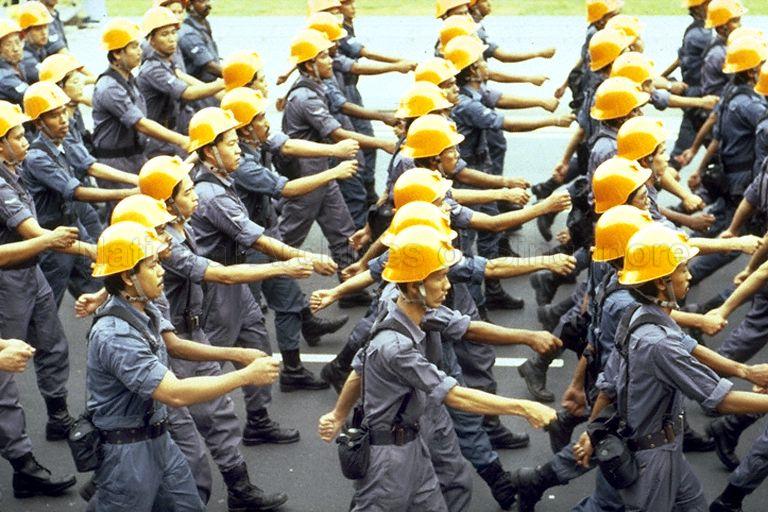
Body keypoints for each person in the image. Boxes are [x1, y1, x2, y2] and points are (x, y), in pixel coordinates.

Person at [317, 224, 558, 512]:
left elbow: (466, 327)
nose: (447, 285)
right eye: (440, 277)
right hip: (389, 461)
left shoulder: (417, 310)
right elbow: (454, 396)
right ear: (414, 284)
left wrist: (527, 336)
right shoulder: (395, 346)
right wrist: (523, 408)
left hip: (415, 445)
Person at [86, 220, 282, 511]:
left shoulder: (143, 308)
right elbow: (174, 393)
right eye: (153, 265)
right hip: (127, 455)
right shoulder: (116, 334)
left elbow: (174, 345)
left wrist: (238, 354)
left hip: (159, 441)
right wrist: (244, 376)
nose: (162, 270)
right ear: (129, 276)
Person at [572, 223, 768, 512]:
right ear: (662, 282)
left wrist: (745, 371)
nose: (689, 275)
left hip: (664, 447)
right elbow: (721, 400)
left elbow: (610, 385)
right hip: (654, 460)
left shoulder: (638, 315)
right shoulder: (658, 344)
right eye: (682, 269)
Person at [187, 107, 338, 437]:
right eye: (230, 142)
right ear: (210, 151)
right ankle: (185, 428)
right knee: (211, 362)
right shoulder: (211, 195)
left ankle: (257, 421)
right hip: (216, 288)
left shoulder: (220, 181)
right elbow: (257, 238)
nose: (238, 147)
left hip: (235, 282)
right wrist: (305, 258)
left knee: (255, 341)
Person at [221, 86, 354, 345]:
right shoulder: (243, 164)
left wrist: (333, 152)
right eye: (260, 118)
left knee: (288, 299)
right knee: (244, 315)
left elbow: (289, 145)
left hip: (265, 235)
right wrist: (333, 172)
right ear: (246, 128)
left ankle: (293, 368)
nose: (266, 123)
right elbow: (287, 189)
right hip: (249, 244)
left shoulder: (254, 142)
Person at [279, 28, 393, 284]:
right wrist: (383, 143)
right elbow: (337, 132)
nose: (330, 60)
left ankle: (351, 287)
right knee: (285, 241)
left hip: (322, 172)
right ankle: (261, 286)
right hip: (307, 178)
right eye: (324, 56)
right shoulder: (306, 98)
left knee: (343, 231)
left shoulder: (316, 87)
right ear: (309, 65)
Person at [21, 81, 135, 307]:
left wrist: (135, 181)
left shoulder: (61, 144)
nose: (63, 120)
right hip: (53, 238)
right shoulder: (37, 157)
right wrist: (128, 192)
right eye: (54, 116)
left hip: (73, 227)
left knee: (103, 285)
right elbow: (77, 192)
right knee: (46, 306)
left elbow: (89, 165)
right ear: (39, 123)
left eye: (63, 112)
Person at [92, 18, 189, 184]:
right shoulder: (110, 87)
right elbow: (141, 124)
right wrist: (181, 140)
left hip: (134, 156)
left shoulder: (128, 79)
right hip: (117, 162)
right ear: (117, 53)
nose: (140, 51)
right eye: (133, 47)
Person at [137, 6, 225, 158]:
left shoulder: (166, 61)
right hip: (158, 140)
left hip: (171, 131)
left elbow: (184, 78)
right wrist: (224, 82)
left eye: (173, 32)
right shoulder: (153, 68)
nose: (172, 39)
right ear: (151, 40)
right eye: (164, 34)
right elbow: (187, 93)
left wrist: (221, 93)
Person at [0, 18, 30, 104]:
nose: (15, 49)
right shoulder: (4, 76)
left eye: (17, 42)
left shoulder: (18, 65)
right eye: (8, 44)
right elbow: (30, 96)